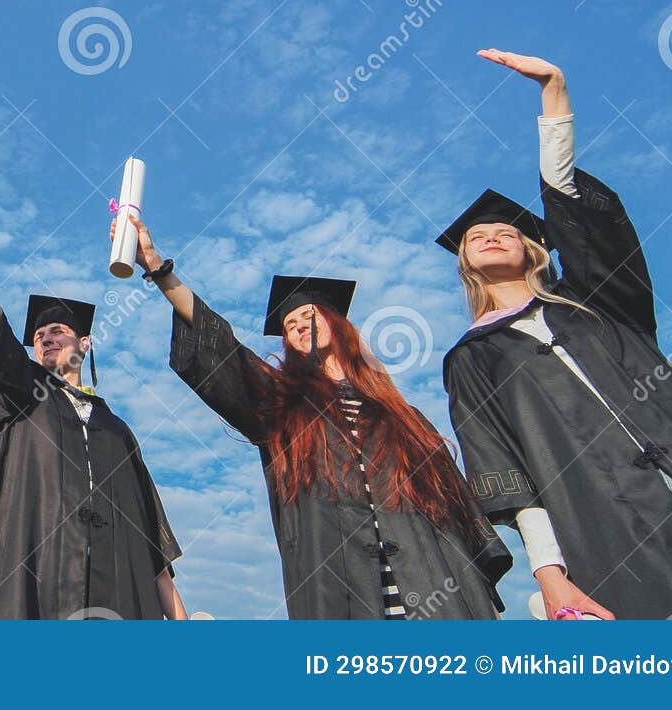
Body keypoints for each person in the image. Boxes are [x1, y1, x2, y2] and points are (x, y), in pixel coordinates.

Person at [441, 49, 672, 620]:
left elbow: (588, 234)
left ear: (533, 248)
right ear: (465, 264)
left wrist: (554, 94)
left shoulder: (597, 305)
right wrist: (551, 579)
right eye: (476, 235)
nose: (491, 234)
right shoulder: (474, 358)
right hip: (615, 531)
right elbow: (505, 472)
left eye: (506, 229)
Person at [121, 212, 509, 619]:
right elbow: (222, 348)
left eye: (311, 315)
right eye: (289, 325)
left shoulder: (403, 416)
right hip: (336, 586)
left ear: (339, 324)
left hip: (436, 583)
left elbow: (457, 503)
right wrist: (159, 269)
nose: (300, 326)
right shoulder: (282, 407)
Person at [0, 173, 185, 619]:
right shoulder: (24, 395)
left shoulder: (116, 429)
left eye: (58, 331)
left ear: (85, 344)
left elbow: (153, 546)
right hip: (41, 583)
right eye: (38, 334)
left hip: (119, 592)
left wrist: (183, 624)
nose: (46, 339)